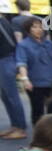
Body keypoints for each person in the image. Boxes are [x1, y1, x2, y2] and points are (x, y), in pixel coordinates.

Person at [16, 18, 52, 121]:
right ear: (28, 29)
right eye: (34, 27)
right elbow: (22, 63)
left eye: (41, 27)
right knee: (38, 112)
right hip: (35, 83)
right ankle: (39, 134)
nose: (38, 29)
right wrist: (25, 79)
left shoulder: (50, 44)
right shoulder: (23, 45)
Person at [0, 11, 26, 139]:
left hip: (6, 60)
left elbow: (11, 43)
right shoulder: (3, 20)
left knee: (12, 96)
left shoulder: (1, 22)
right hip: (4, 60)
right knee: (5, 96)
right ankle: (15, 125)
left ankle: (21, 128)